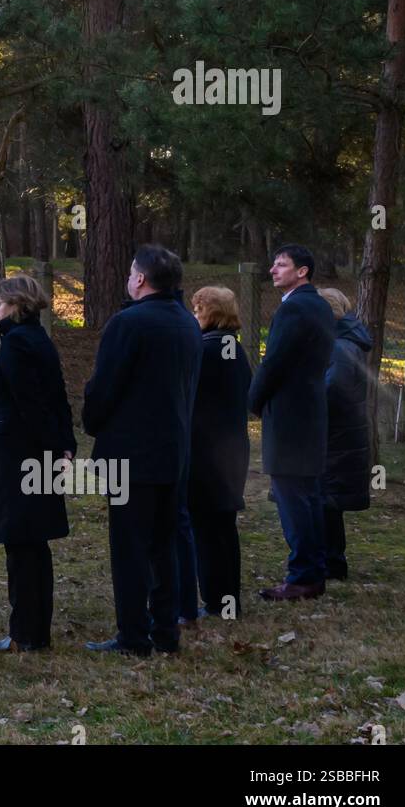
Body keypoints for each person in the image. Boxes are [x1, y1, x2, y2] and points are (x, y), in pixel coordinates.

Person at [82, 245, 202, 657]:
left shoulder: (129, 323)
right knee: (163, 546)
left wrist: (91, 420)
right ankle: (165, 630)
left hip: (131, 455)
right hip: (174, 452)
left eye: (132, 272)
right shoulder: (187, 323)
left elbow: (105, 385)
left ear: (140, 279)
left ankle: (133, 636)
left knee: (129, 549)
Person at [0, 273, 75, 653]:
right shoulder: (38, 340)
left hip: (20, 456)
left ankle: (25, 632)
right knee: (32, 545)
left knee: (22, 546)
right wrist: (63, 445)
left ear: (17, 306)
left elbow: (32, 403)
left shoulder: (17, 345)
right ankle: (33, 630)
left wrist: (52, 447)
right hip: (35, 453)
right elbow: (56, 398)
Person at [249, 244, 335, 601]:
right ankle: (314, 569)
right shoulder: (319, 306)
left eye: (281, 265)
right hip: (310, 412)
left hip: (290, 416)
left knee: (293, 497)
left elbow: (275, 363)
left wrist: (251, 401)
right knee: (308, 495)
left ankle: (303, 575)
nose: (272, 269)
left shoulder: (295, 309)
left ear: (302, 271)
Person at [188, 286, 252, 621]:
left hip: (207, 451)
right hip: (232, 449)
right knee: (223, 526)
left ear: (211, 312)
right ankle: (229, 601)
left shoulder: (208, 350)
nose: (193, 315)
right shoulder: (233, 349)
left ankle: (216, 601)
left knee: (207, 527)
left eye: (198, 310)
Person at [316, 288, 372, 582]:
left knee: (327, 501)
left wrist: (307, 405)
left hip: (335, 436)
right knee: (329, 502)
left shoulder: (337, 346)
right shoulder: (348, 342)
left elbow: (333, 388)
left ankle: (332, 563)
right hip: (344, 434)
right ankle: (331, 561)